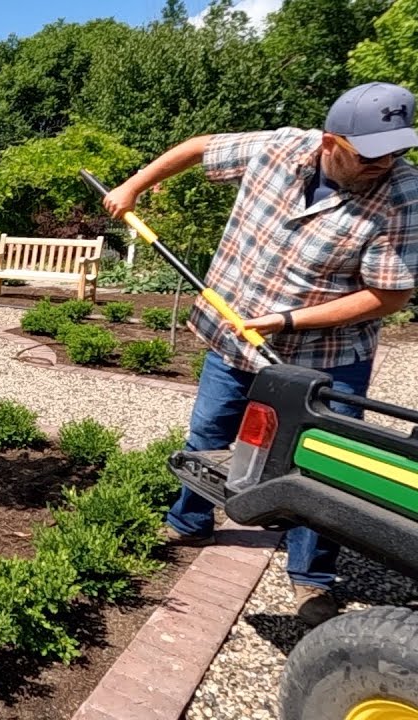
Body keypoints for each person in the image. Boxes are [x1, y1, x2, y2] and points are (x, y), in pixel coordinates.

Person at [102, 82, 418, 627]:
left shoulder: (403, 195)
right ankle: (189, 522)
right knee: (209, 435)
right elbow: (200, 147)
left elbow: (389, 295)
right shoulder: (279, 147)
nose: (383, 163)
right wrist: (132, 186)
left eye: (394, 151)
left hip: (326, 356)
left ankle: (311, 577)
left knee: (322, 464)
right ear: (330, 141)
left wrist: (288, 320)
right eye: (369, 154)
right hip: (234, 338)